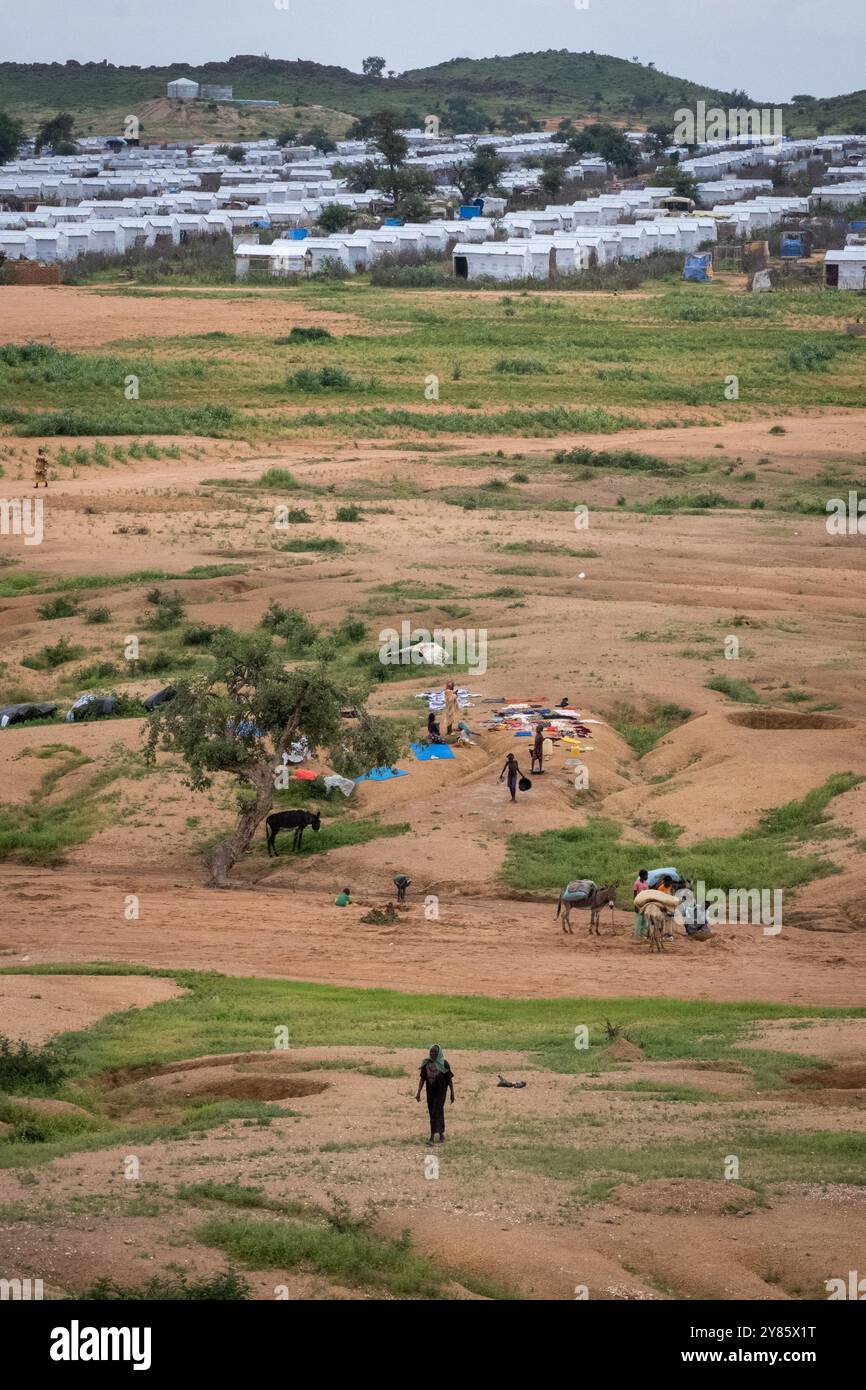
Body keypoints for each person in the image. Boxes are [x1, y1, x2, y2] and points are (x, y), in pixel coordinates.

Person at [415, 1043, 454, 1144]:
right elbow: (422, 1079)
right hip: (430, 1093)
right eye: (431, 1051)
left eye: (435, 1052)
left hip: (441, 1093)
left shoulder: (444, 1064)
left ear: (439, 1053)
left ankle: (432, 1137)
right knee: (435, 1111)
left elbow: (449, 1080)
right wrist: (418, 1092)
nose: (432, 1053)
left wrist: (452, 1093)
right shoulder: (426, 1064)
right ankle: (441, 1134)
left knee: (435, 1112)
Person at [633, 868, 649, 940]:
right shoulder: (637, 883)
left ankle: (642, 933)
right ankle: (638, 934)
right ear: (642, 876)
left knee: (644, 919)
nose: (647, 876)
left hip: (645, 902)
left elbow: (647, 893)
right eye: (646, 875)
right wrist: (635, 905)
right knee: (639, 919)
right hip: (639, 903)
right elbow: (635, 895)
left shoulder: (646, 883)